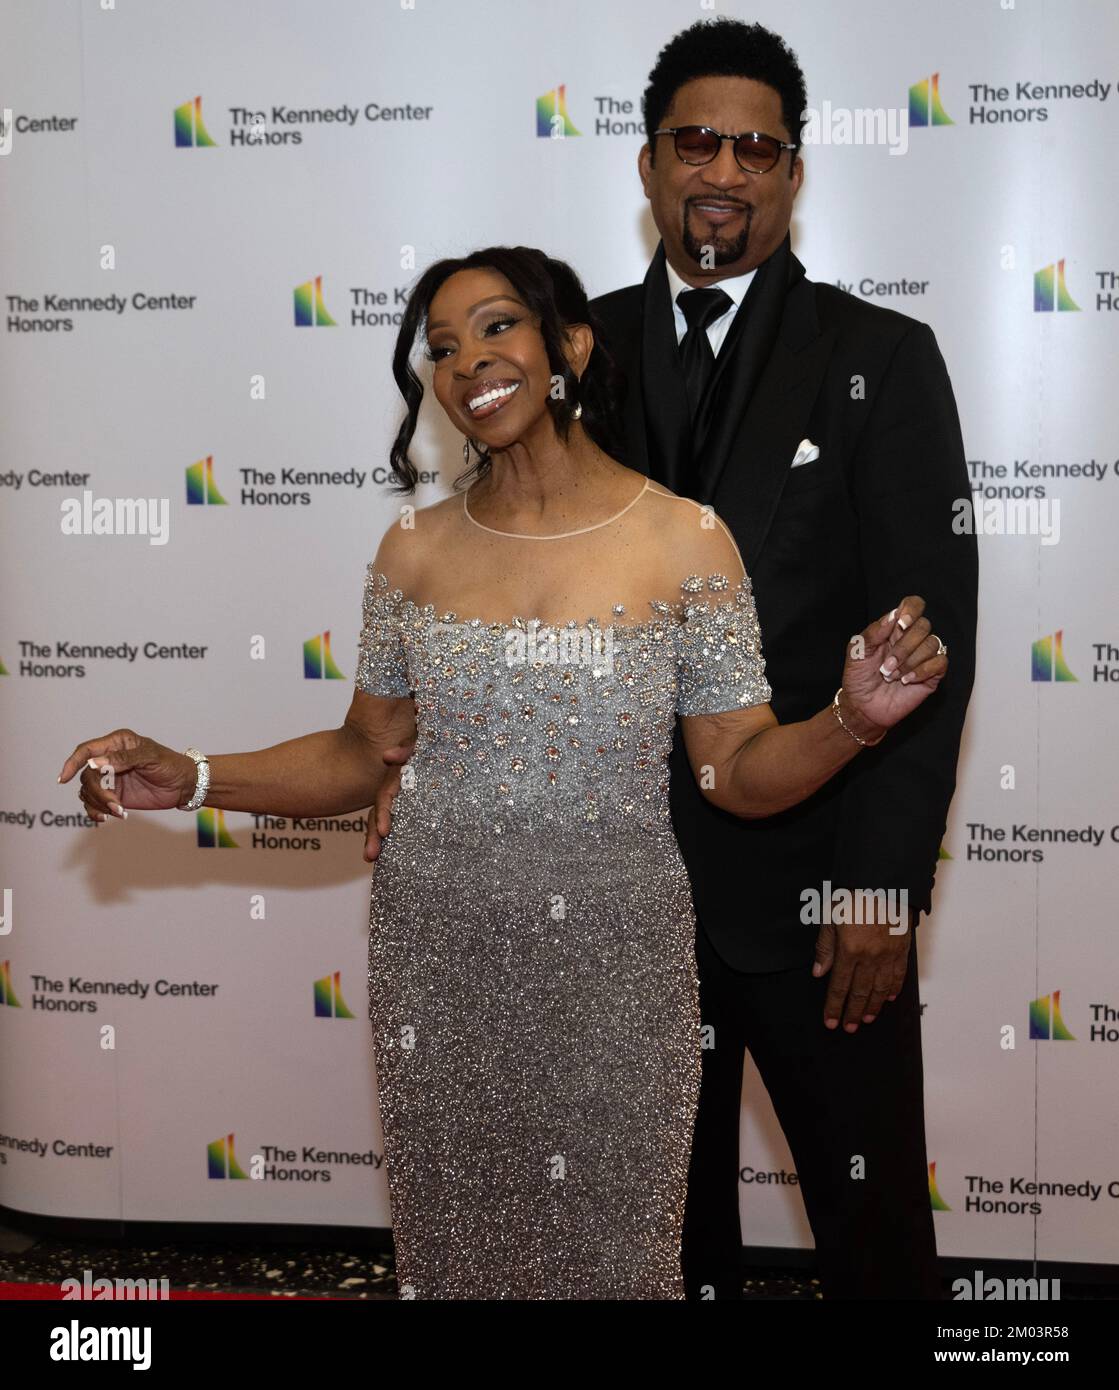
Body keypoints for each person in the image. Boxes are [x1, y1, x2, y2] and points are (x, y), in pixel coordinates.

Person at [61, 246, 949, 1300]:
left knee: (617, 1264)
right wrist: (194, 776)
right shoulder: (414, 551)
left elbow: (738, 772)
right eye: (441, 346)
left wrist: (850, 720)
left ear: (569, 345)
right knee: (461, 1261)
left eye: (494, 326)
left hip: (621, 971)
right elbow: (361, 751)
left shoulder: (683, 539)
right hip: (439, 960)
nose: (467, 360)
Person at [586, 20, 979, 1299]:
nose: (727, 168)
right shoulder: (568, 359)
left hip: (820, 907)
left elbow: (929, 647)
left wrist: (879, 889)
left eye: (760, 147)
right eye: (699, 138)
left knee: (877, 1256)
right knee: (655, 1253)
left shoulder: (880, 360)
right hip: (613, 901)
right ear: (649, 163)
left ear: (793, 173)